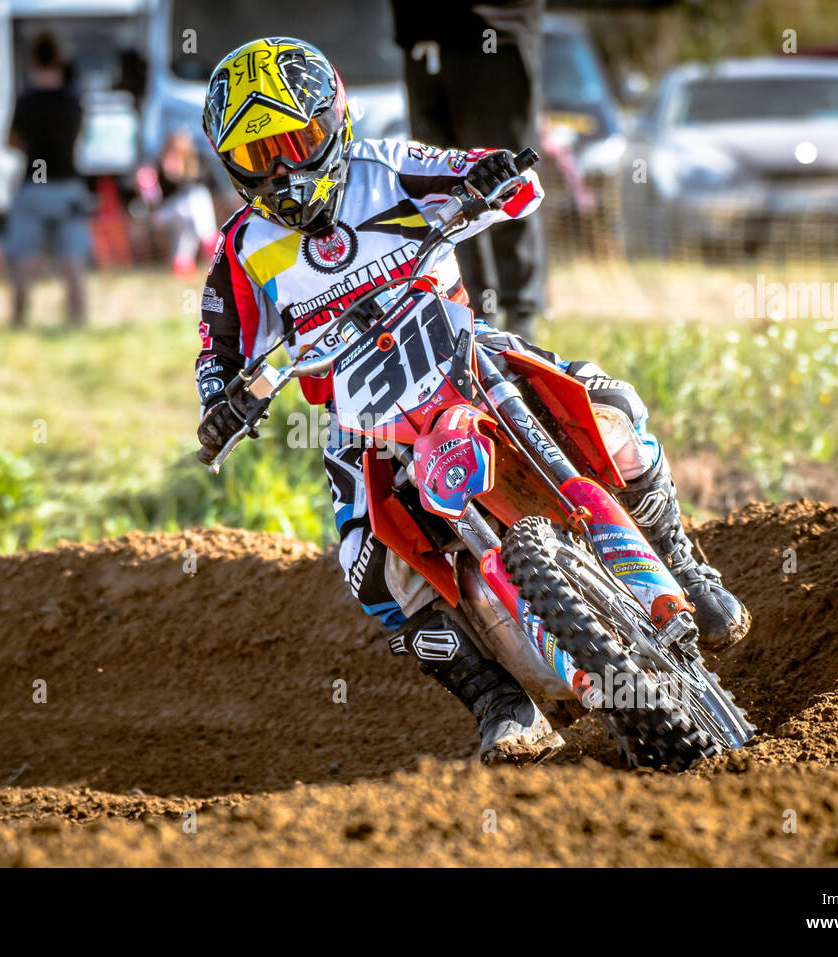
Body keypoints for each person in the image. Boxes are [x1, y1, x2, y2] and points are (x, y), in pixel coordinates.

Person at [193, 38, 749, 764]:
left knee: (608, 406)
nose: (283, 170)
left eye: (295, 141)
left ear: (333, 119)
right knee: (369, 565)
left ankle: (681, 559)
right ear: (231, 164)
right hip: (365, 415)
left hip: (459, 348)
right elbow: (218, 348)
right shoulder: (242, 249)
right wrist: (221, 402)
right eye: (259, 156)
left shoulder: (385, 167)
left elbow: (465, 171)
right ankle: (499, 700)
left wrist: (490, 173)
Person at [393, 0, 545, 340]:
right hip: (421, 33)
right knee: (442, 187)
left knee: (509, 174)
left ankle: (521, 312)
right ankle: (472, 307)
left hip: (495, 29)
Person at [5, 31, 91, 328]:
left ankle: (18, 320)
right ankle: (77, 321)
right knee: (73, 260)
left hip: (34, 186)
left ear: (32, 59)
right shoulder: (71, 100)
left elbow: (12, 140)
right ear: (59, 59)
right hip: (68, 185)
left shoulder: (26, 100)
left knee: (23, 260)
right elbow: (81, 136)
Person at [135, 130, 219, 280]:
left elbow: (204, 185)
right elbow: (153, 203)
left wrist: (179, 174)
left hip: (184, 213)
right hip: (160, 214)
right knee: (191, 203)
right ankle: (210, 239)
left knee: (189, 215)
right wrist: (151, 183)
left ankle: (182, 262)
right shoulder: (155, 168)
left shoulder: (193, 168)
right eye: (170, 152)